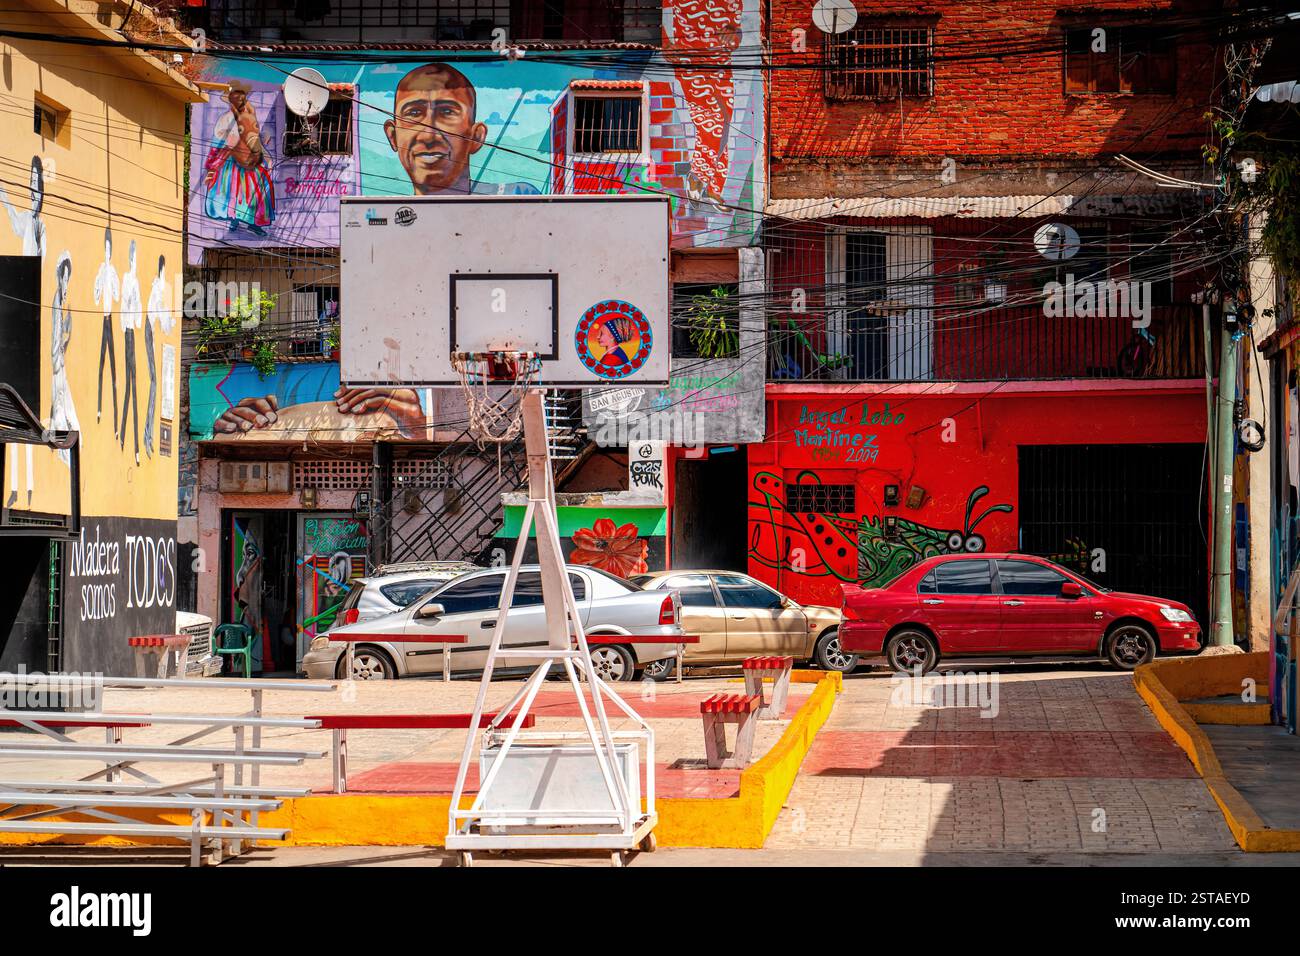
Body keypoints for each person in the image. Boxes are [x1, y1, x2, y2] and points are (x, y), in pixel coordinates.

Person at [384, 63, 539, 196]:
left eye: (446, 112)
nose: (428, 135)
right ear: (393, 136)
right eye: (414, 113)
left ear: (476, 137)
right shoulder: (389, 216)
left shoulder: (517, 197)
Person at [204, 79, 275, 235]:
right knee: (234, 191)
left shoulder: (249, 117)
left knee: (256, 191)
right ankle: (234, 220)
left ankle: (254, 223)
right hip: (232, 160)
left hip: (251, 160)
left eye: (242, 98)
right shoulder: (226, 119)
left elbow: (253, 138)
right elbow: (219, 138)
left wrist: (265, 154)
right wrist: (229, 141)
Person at [49, 253, 79, 467]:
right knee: (64, 435)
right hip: (58, 376)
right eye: (64, 279)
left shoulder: (61, 303)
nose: (66, 284)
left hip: (63, 375)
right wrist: (65, 338)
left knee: (74, 428)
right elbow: (54, 352)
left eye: (68, 279)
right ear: (59, 278)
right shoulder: (55, 305)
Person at [94, 228, 119, 436]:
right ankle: (100, 407)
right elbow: (95, 294)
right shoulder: (103, 269)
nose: (108, 251)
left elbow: (118, 294)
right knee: (102, 365)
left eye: (110, 247)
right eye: (107, 247)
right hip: (104, 319)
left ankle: (113, 415)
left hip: (111, 320)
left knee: (113, 369)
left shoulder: (112, 272)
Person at [143, 255, 168, 459]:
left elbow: (166, 319)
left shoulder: (160, 288)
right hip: (149, 334)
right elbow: (162, 317)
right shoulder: (158, 288)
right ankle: (147, 435)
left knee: (154, 385)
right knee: (153, 383)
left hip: (151, 334)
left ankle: (148, 435)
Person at [119, 240, 141, 465]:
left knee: (132, 390)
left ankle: (132, 444)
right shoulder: (127, 279)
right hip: (127, 334)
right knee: (128, 388)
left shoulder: (132, 281)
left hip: (132, 335)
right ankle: (125, 436)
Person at [0, 155, 46, 258]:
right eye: (31, 182)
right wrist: (5, 198)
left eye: (35, 182)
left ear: (40, 189)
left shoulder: (41, 227)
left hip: (32, 271)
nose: (32, 188)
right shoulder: (27, 217)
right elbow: (15, 220)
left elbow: (42, 260)